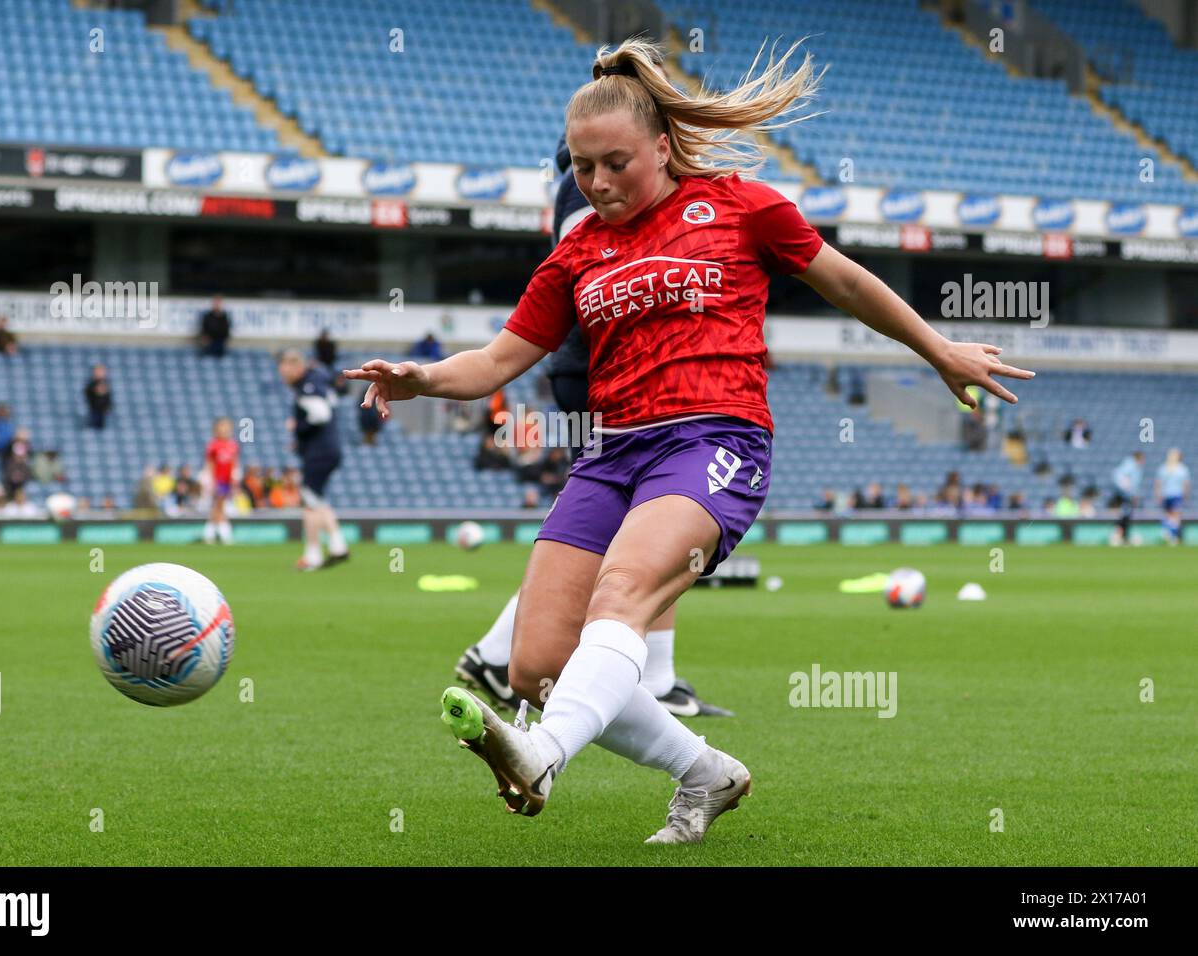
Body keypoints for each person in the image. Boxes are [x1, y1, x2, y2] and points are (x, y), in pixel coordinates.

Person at [346, 38, 1034, 844]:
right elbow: (500, 358)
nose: (598, 184)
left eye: (615, 163)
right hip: (611, 455)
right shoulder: (576, 252)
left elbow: (844, 279)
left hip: (714, 438)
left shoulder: (743, 206)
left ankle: (541, 754)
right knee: (536, 665)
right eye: (581, 167)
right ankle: (706, 772)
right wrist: (420, 378)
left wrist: (939, 349)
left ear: (663, 147)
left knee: (622, 596)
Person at [453, 54, 733, 721]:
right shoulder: (603, 177)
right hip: (598, 364)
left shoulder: (590, 168)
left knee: (642, 526)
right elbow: (602, 276)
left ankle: (526, 658)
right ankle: (510, 656)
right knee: (647, 520)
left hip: (591, 364)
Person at [277, 349, 351, 570]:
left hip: (320, 451)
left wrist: (298, 428)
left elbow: (321, 415)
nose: (283, 376)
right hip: (328, 448)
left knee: (309, 502)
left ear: (296, 367)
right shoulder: (318, 380)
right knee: (316, 499)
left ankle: (313, 555)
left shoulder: (308, 385)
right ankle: (338, 545)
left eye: (285, 370)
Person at [203, 417, 239, 545]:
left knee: (219, 506)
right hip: (217, 480)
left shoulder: (233, 445)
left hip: (227, 480)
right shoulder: (213, 445)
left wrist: (235, 478)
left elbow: (234, 463)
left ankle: (210, 533)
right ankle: (223, 534)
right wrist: (210, 481)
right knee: (219, 505)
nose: (225, 429)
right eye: (222, 426)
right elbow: (210, 464)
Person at [1154, 448, 1190, 545]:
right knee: (1176, 517)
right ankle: (1173, 536)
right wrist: (1186, 495)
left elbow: (1158, 483)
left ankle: (1167, 531)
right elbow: (1186, 484)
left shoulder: (1163, 468)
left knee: (1168, 516)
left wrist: (1158, 495)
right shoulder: (1182, 468)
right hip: (1177, 495)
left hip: (1166, 495)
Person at [1109, 451, 1144, 546]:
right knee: (1123, 517)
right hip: (1124, 496)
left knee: (1126, 517)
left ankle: (1122, 536)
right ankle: (1118, 536)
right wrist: (1127, 489)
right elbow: (1120, 477)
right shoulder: (1130, 465)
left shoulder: (1135, 467)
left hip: (1128, 496)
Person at [84, 364, 113, 430]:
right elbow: (88, 395)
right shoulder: (91, 384)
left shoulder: (106, 384)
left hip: (102, 411)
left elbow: (108, 399)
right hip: (94, 411)